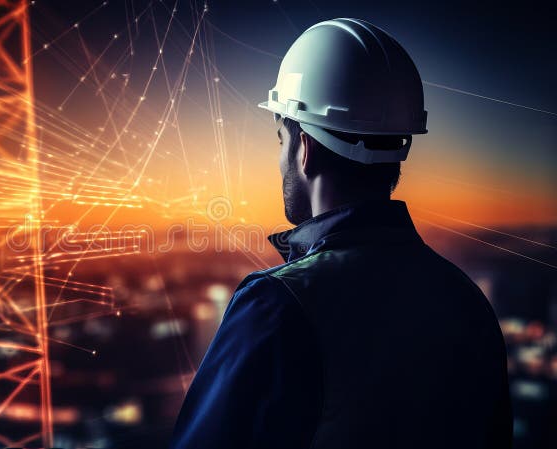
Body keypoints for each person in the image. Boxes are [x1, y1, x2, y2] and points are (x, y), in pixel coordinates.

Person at [169, 18, 512, 448]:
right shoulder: (467, 302)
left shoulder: (277, 305)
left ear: (305, 149)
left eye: (281, 139)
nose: (280, 159)